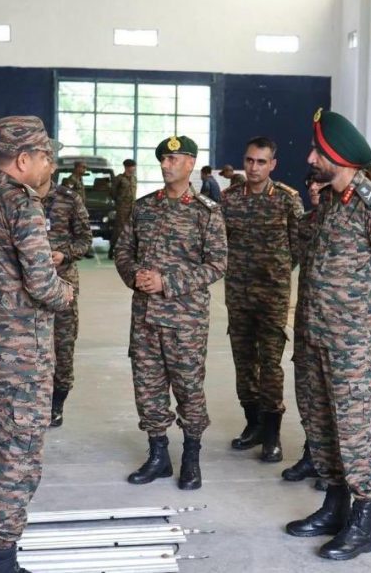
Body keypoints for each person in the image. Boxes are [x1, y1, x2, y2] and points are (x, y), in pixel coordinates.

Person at [0, 116, 73, 573]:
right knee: (17, 462)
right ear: (24, 159)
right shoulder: (22, 205)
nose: (49, 165)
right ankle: (0, 562)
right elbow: (43, 283)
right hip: (21, 358)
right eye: (45, 157)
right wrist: (67, 293)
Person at [285, 109, 371, 561]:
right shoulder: (330, 202)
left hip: (350, 343)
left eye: (318, 151)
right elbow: (305, 254)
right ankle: (334, 506)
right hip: (313, 335)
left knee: (353, 431)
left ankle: (363, 521)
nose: (311, 157)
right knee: (320, 424)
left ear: (338, 156)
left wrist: (352, 309)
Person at [114, 135, 227, 491]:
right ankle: (158, 454)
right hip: (145, 316)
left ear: (191, 163)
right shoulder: (143, 207)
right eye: (163, 159)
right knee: (147, 387)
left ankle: (191, 456)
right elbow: (123, 250)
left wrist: (168, 282)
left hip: (185, 320)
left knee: (189, 388)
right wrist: (136, 276)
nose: (166, 165)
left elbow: (217, 264)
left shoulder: (206, 211)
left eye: (174, 159)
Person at [221, 137, 303, 463]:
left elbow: (299, 246)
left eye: (261, 162)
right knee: (243, 362)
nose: (253, 167)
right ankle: (252, 424)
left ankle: (272, 434)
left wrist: (277, 272)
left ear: (273, 165)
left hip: (272, 296)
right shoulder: (229, 200)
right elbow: (219, 244)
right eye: (249, 160)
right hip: (237, 294)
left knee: (270, 365)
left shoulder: (286, 200)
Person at [36, 145, 92, 427]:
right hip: (26, 289)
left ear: (52, 167)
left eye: (45, 161)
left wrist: (65, 254)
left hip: (62, 286)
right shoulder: (18, 199)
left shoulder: (68, 199)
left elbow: (85, 238)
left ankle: (57, 402)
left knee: (63, 344)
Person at [283, 172, 330, 490]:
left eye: (320, 183)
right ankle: (313, 454)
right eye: (310, 182)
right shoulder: (307, 222)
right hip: (306, 320)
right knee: (308, 393)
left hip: (338, 326)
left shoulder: (346, 220)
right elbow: (291, 260)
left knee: (335, 397)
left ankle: (335, 466)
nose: (312, 187)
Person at [109, 159, 137, 259]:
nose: (133, 168)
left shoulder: (134, 178)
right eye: (131, 166)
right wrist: (120, 201)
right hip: (122, 208)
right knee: (119, 229)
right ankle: (112, 249)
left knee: (131, 230)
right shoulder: (119, 179)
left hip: (132, 207)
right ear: (126, 167)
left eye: (134, 166)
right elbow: (112, 192)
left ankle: (128, 251)